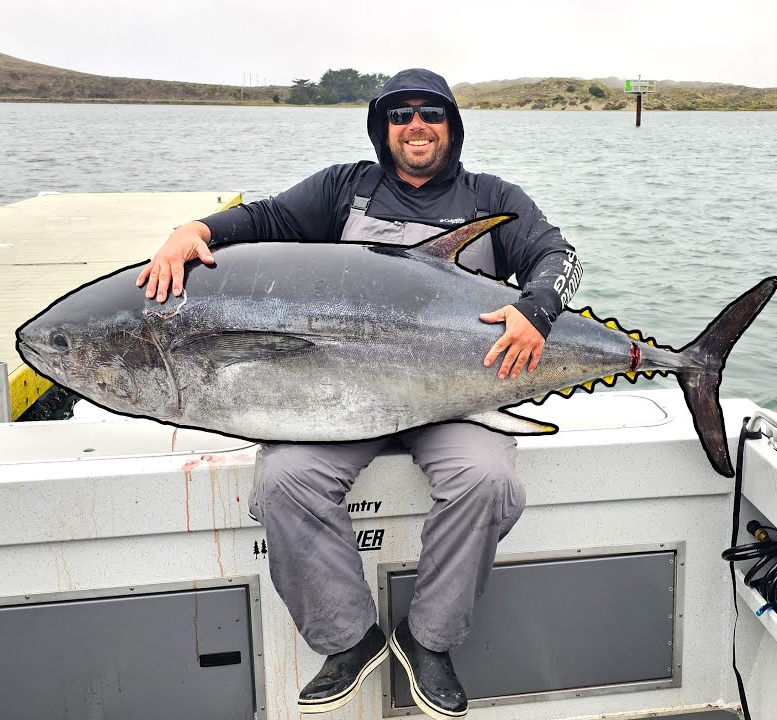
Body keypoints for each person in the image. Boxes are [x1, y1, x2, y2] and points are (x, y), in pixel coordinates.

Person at [136, 68, 582, 719]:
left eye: (430, 113)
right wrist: (195, 231)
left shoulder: (494, 197)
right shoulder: (344, 188)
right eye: (400, 115)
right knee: (283, 481)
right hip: (342, 397)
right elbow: (263, 218)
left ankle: (428, 639)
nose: (416, 126)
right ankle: (350, 639)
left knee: (487, 481)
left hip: (455, 396)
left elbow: (560, 257)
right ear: (383, 127)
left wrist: (536, 309)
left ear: (452, 125)